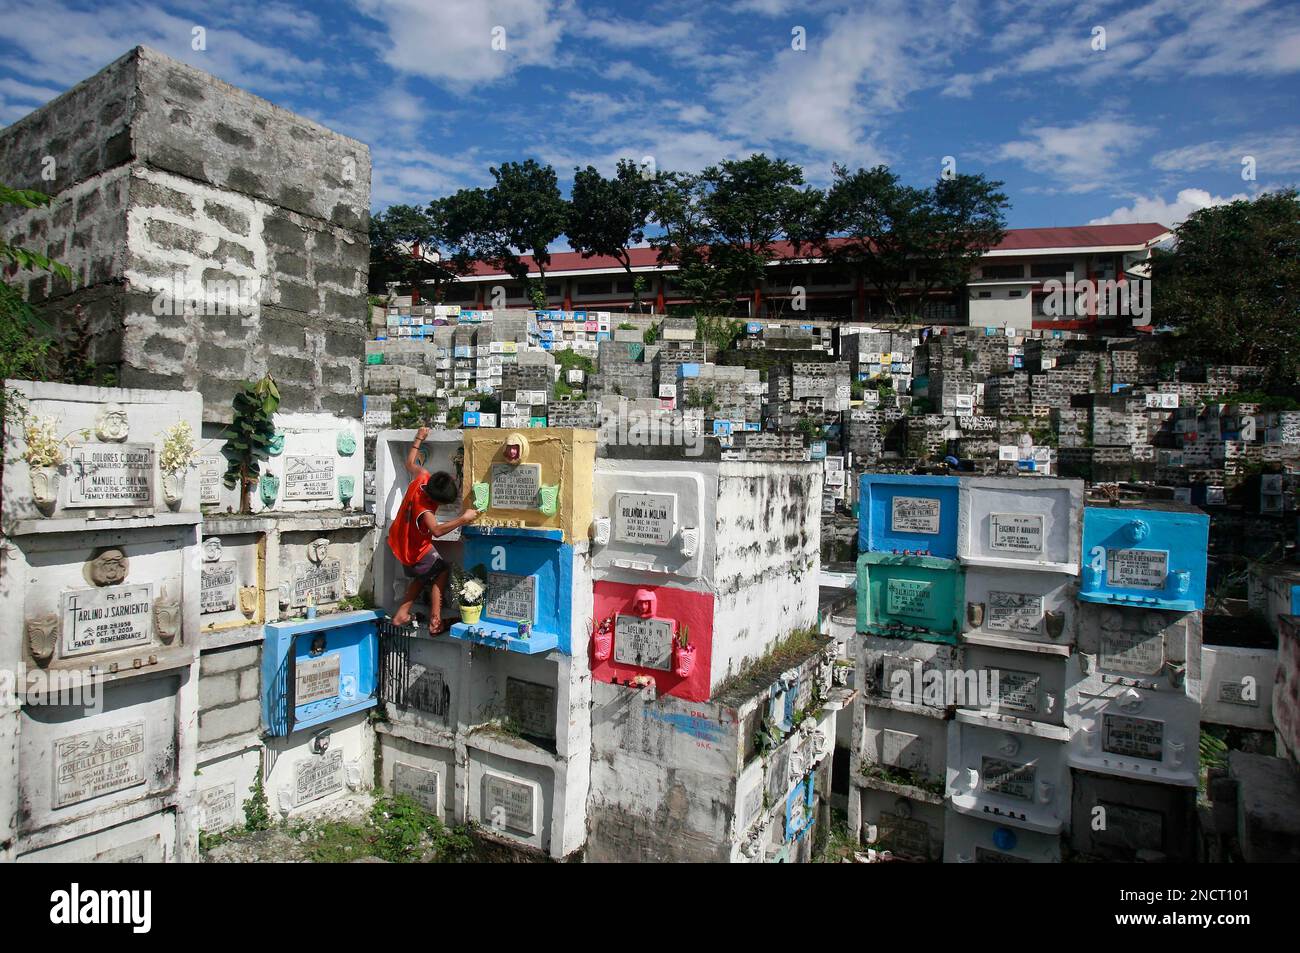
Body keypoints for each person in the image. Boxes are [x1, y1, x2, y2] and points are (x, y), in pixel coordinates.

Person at [388, 427, 479, 633]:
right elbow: (437, 531)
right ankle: (435, 621)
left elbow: (409, 462)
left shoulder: (422, 477)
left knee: (423, 574)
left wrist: (419, 438)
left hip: (400, 541)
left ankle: (402, 613)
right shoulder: (426, 511)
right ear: (437, 500)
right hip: (414, 550)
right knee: (440, 569)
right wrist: (462, 519)